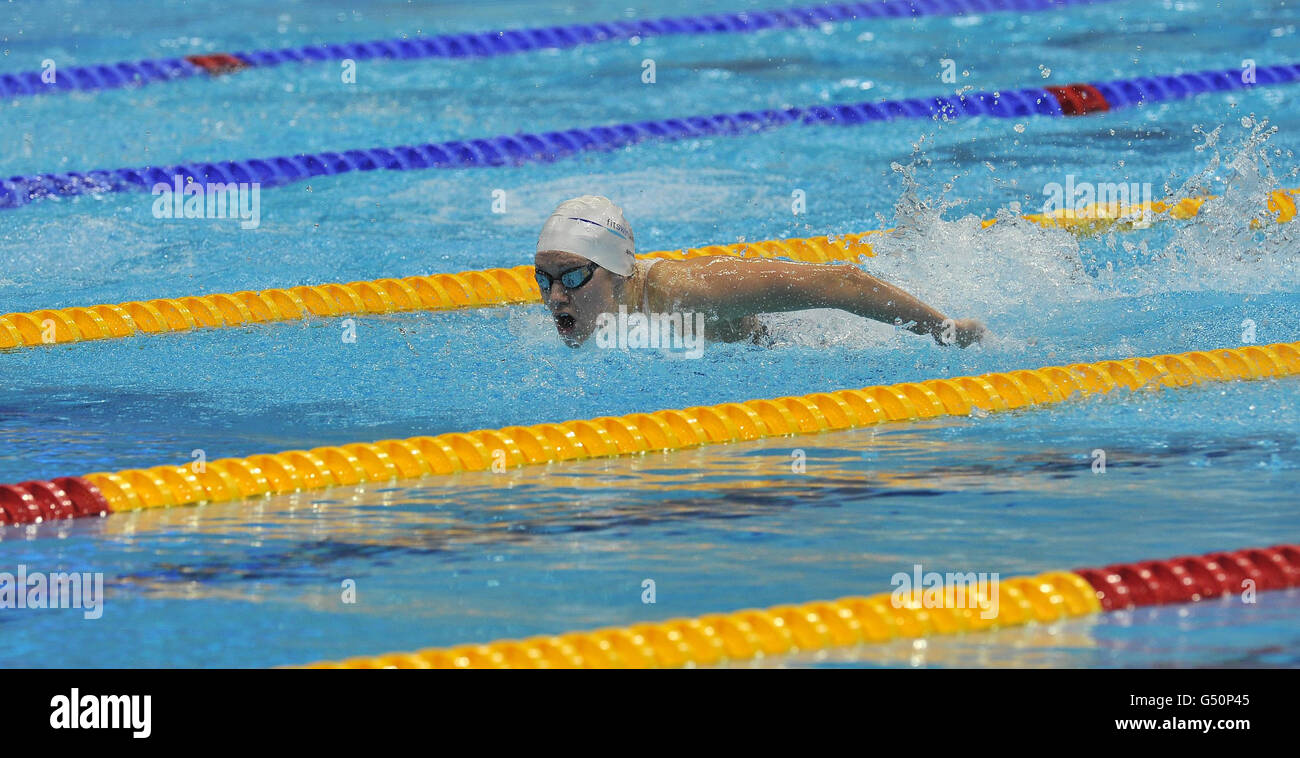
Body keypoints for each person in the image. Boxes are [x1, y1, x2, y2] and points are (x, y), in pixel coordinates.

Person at [534, 195, 987, 348]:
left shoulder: (687, 293)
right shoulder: (603, 319)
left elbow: (840, 282)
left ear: (616, 272)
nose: (555, 298)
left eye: (572, 277)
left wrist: (944, 330)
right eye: (544, 279)